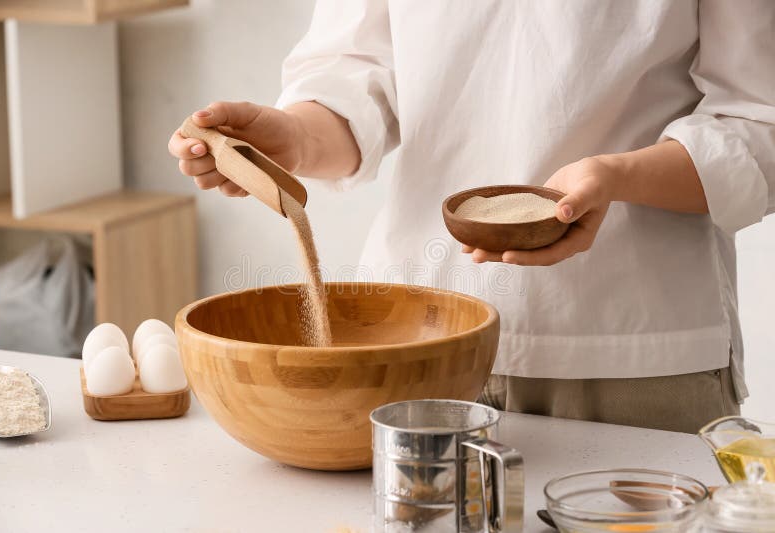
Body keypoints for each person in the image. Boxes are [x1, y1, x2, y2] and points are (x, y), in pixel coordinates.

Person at [168, 1, 775, 433]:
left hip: (631, 351)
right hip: (417, 345)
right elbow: (357, 69)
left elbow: (758, 120)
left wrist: (617, 177)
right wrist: (294, 138)